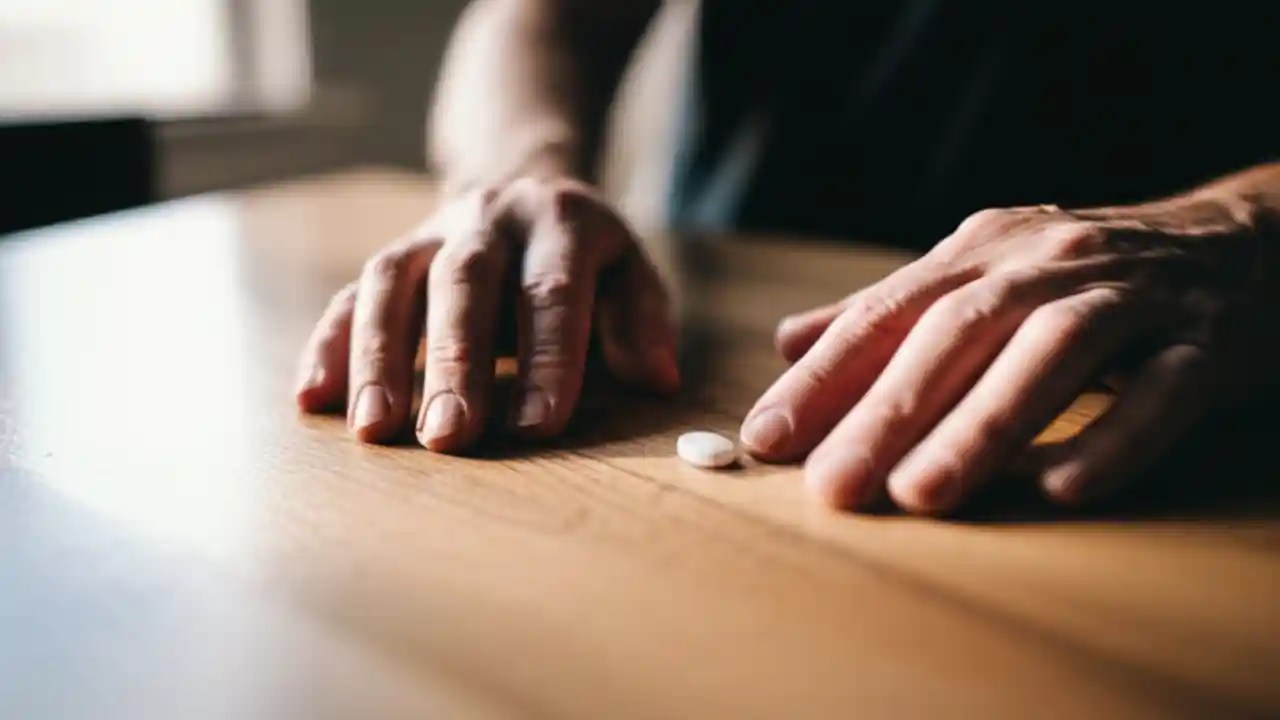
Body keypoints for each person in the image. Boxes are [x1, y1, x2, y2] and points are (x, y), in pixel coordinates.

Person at [294, 0, 1280, 515]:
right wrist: (508, 173)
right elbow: (541, 13)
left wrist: (1240, 221)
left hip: (1167, 371)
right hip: (704, 328)